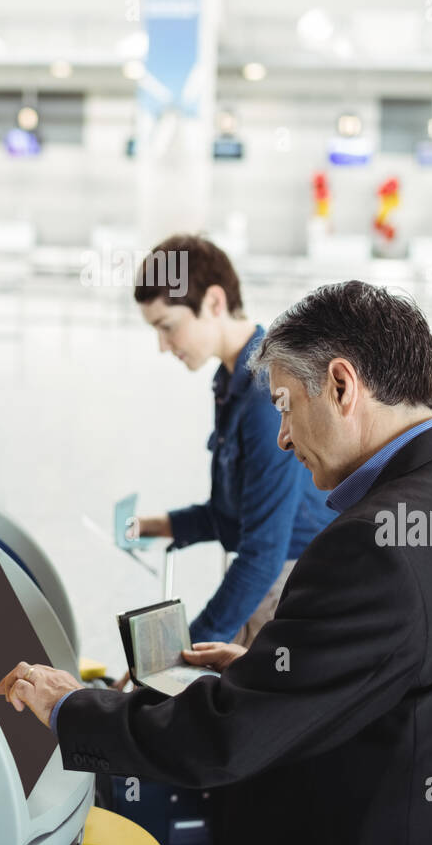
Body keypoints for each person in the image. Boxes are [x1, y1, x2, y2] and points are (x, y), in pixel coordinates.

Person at [0, 281, 432, 845]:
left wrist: (70, 708)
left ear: (342, 386)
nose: (283, 437)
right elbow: (412, 689)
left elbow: (222, 740)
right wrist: (273, 672)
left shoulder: (373, 547)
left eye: (286, 406)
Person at [128, 234, 334, 649]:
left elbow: (262, 556)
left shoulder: (265, 392)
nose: (163, 346)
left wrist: (180, 654)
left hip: (288, 591)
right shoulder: (230, 382)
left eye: (167, 327)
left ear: (214, 303)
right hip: (263, 581)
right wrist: (157, 525)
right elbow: (231, 516)